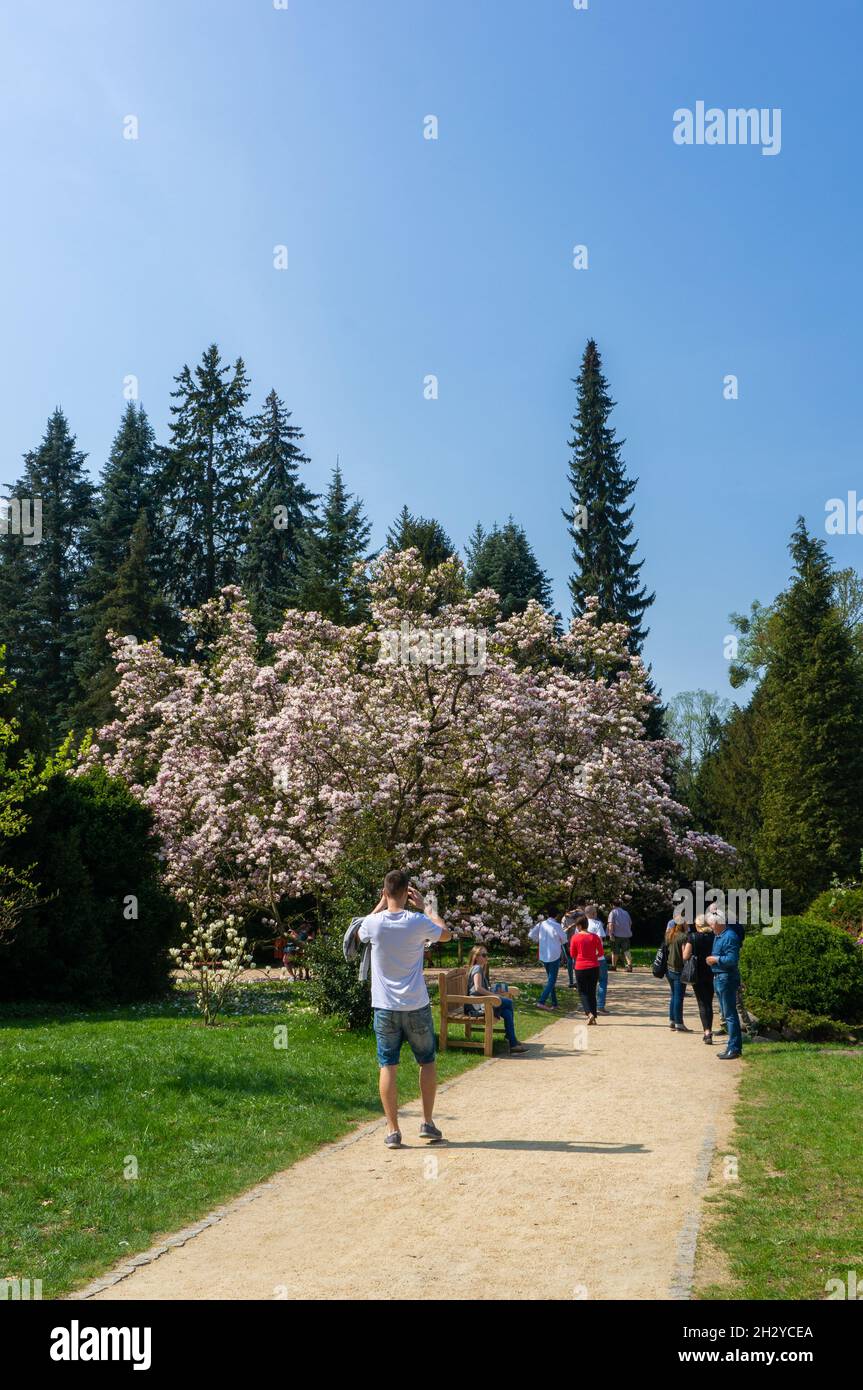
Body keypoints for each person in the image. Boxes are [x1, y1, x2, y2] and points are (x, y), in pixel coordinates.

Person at [358, 869, 454, 1148]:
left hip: (385, 1006)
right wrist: (426, 906)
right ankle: (427, 1122)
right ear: (407, 892)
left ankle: (392, 1130)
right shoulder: (417, 921)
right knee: (426, 1061)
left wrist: (380, 903)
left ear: (386, 892)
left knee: (388, 1065)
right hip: (415, 1004)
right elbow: (445, 934)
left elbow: (362, 928)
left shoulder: (374, 924)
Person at [465, 945, 526, 1054]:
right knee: (509, 1002)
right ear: (476, 957)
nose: (486, 957)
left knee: (507, 1012)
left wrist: (494, 991)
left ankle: (513, 1044)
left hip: (482, 1001)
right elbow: (478, 988)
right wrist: (494, 996)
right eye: (483, 955)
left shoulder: (480, 968)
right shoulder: (477, 968)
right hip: (476, 1005)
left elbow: (480, 988)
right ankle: (510, 1038)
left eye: (487, 955)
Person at [706, 907, 744, 1059]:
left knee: (729, 1014)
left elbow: (732, 960)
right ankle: (732, 1046)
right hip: (719, 977)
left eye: (712, 924)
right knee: (726, 1013)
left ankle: (734, 1047)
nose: (710, 927)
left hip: (726, 978)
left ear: (719, 922)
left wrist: (716, 959)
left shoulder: (729, 936)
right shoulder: (719, 935)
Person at [529, 909, 568, 1010]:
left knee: (551, 980)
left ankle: (555, 1003)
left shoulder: (541, 924)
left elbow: (531, 935)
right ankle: (541, 1001)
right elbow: (564, 939)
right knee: (552, 980)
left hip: (544, 955)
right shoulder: (557, 925)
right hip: (554, 955)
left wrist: (540, 940)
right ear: (556, 916)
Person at [569, 913, 604, 1023]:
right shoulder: (595, 937)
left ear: (579, 926)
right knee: (592, 992)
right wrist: (594, 956)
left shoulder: (575, 937)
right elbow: (601, 952)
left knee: (582, 992)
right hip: (594, 966)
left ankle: (589, 1013)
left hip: (580, 967)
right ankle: (593, 1015)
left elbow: (572, 954)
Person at [688, 914, 716, 1044]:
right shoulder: (714, 936)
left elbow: (685, 955)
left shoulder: (692, 937)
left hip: (697, 972)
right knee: (709, 1002)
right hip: (711, 971)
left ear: (697, 925)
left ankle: (706, 1032)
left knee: (701, 1003)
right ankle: (710, 1030)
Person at [665, 914, 693, 1033]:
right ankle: (679, 1023)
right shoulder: (684, 937)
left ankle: (672, 1020)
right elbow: (684, 956)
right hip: (678, 969)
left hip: (669, 968)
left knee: (673, 995)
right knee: (679, 997)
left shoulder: (670, 935)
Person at [585, 903, 610, 1013]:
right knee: (602, 981)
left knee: (589, 982)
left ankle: (588, 1005)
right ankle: (600, 1005)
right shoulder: (597, 924)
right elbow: (600, 939)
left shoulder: (581, 925)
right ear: (593, 914)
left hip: (585, 957)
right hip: (598, 957)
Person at [607, 902, 633, 971]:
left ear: (612, 905)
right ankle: (629, 966)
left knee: (615, 951)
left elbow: (610, 924)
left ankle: (614, 966)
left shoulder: (613, 912)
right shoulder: (626, 913)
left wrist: (611, 934)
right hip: (626, 935)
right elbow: (630, 923)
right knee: (627, 950)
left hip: (616, 935)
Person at [561, 908, 580, 988]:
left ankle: (577, 981)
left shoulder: (577, 917)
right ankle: (571, 981)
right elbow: (562, 931)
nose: (572, 913)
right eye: (570, 912)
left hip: (576, 941)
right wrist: (570, 927)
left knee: (576, 961)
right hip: (567, 942)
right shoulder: (564, 918)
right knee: (569, 961)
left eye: (573, 911)